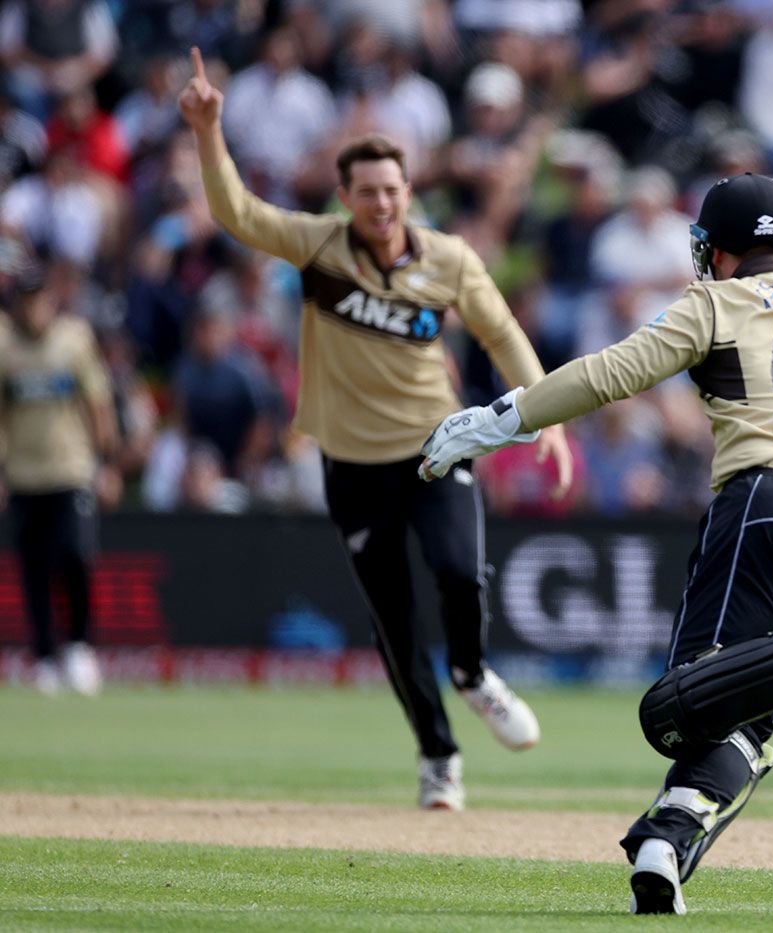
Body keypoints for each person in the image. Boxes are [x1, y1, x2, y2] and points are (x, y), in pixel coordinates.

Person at [421, 38, 773, 914]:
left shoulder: (713, 302)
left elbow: (608, 372)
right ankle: (664, 845)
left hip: (760, 505)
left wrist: (497, 421)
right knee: (739, 721)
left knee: (671, 710)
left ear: (719, 254)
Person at [177, 47, 574, 811]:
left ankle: (471, 672)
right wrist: (208, 132)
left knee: (460, 572)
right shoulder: (320, 245)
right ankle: (438, 755)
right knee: (392, 619)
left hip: (436, 444)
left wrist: (547, 416)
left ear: (408, 191)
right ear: (346, 195)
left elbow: (501, 333)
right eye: (367, 192)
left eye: (392, 189)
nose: (382, 204)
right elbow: (238, 214)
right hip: (352, 461)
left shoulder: (449, 258)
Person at [0, 262, 116, 696]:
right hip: (24, 475)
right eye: (26, 301)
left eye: (40, 300)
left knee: (76, 557)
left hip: (71, 470)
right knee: (33, 568)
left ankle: (79, 646)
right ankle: (45, 656)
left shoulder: (74, 340)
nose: (34, 310)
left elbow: (98, 403)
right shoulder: (4, 344)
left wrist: (106, 464)